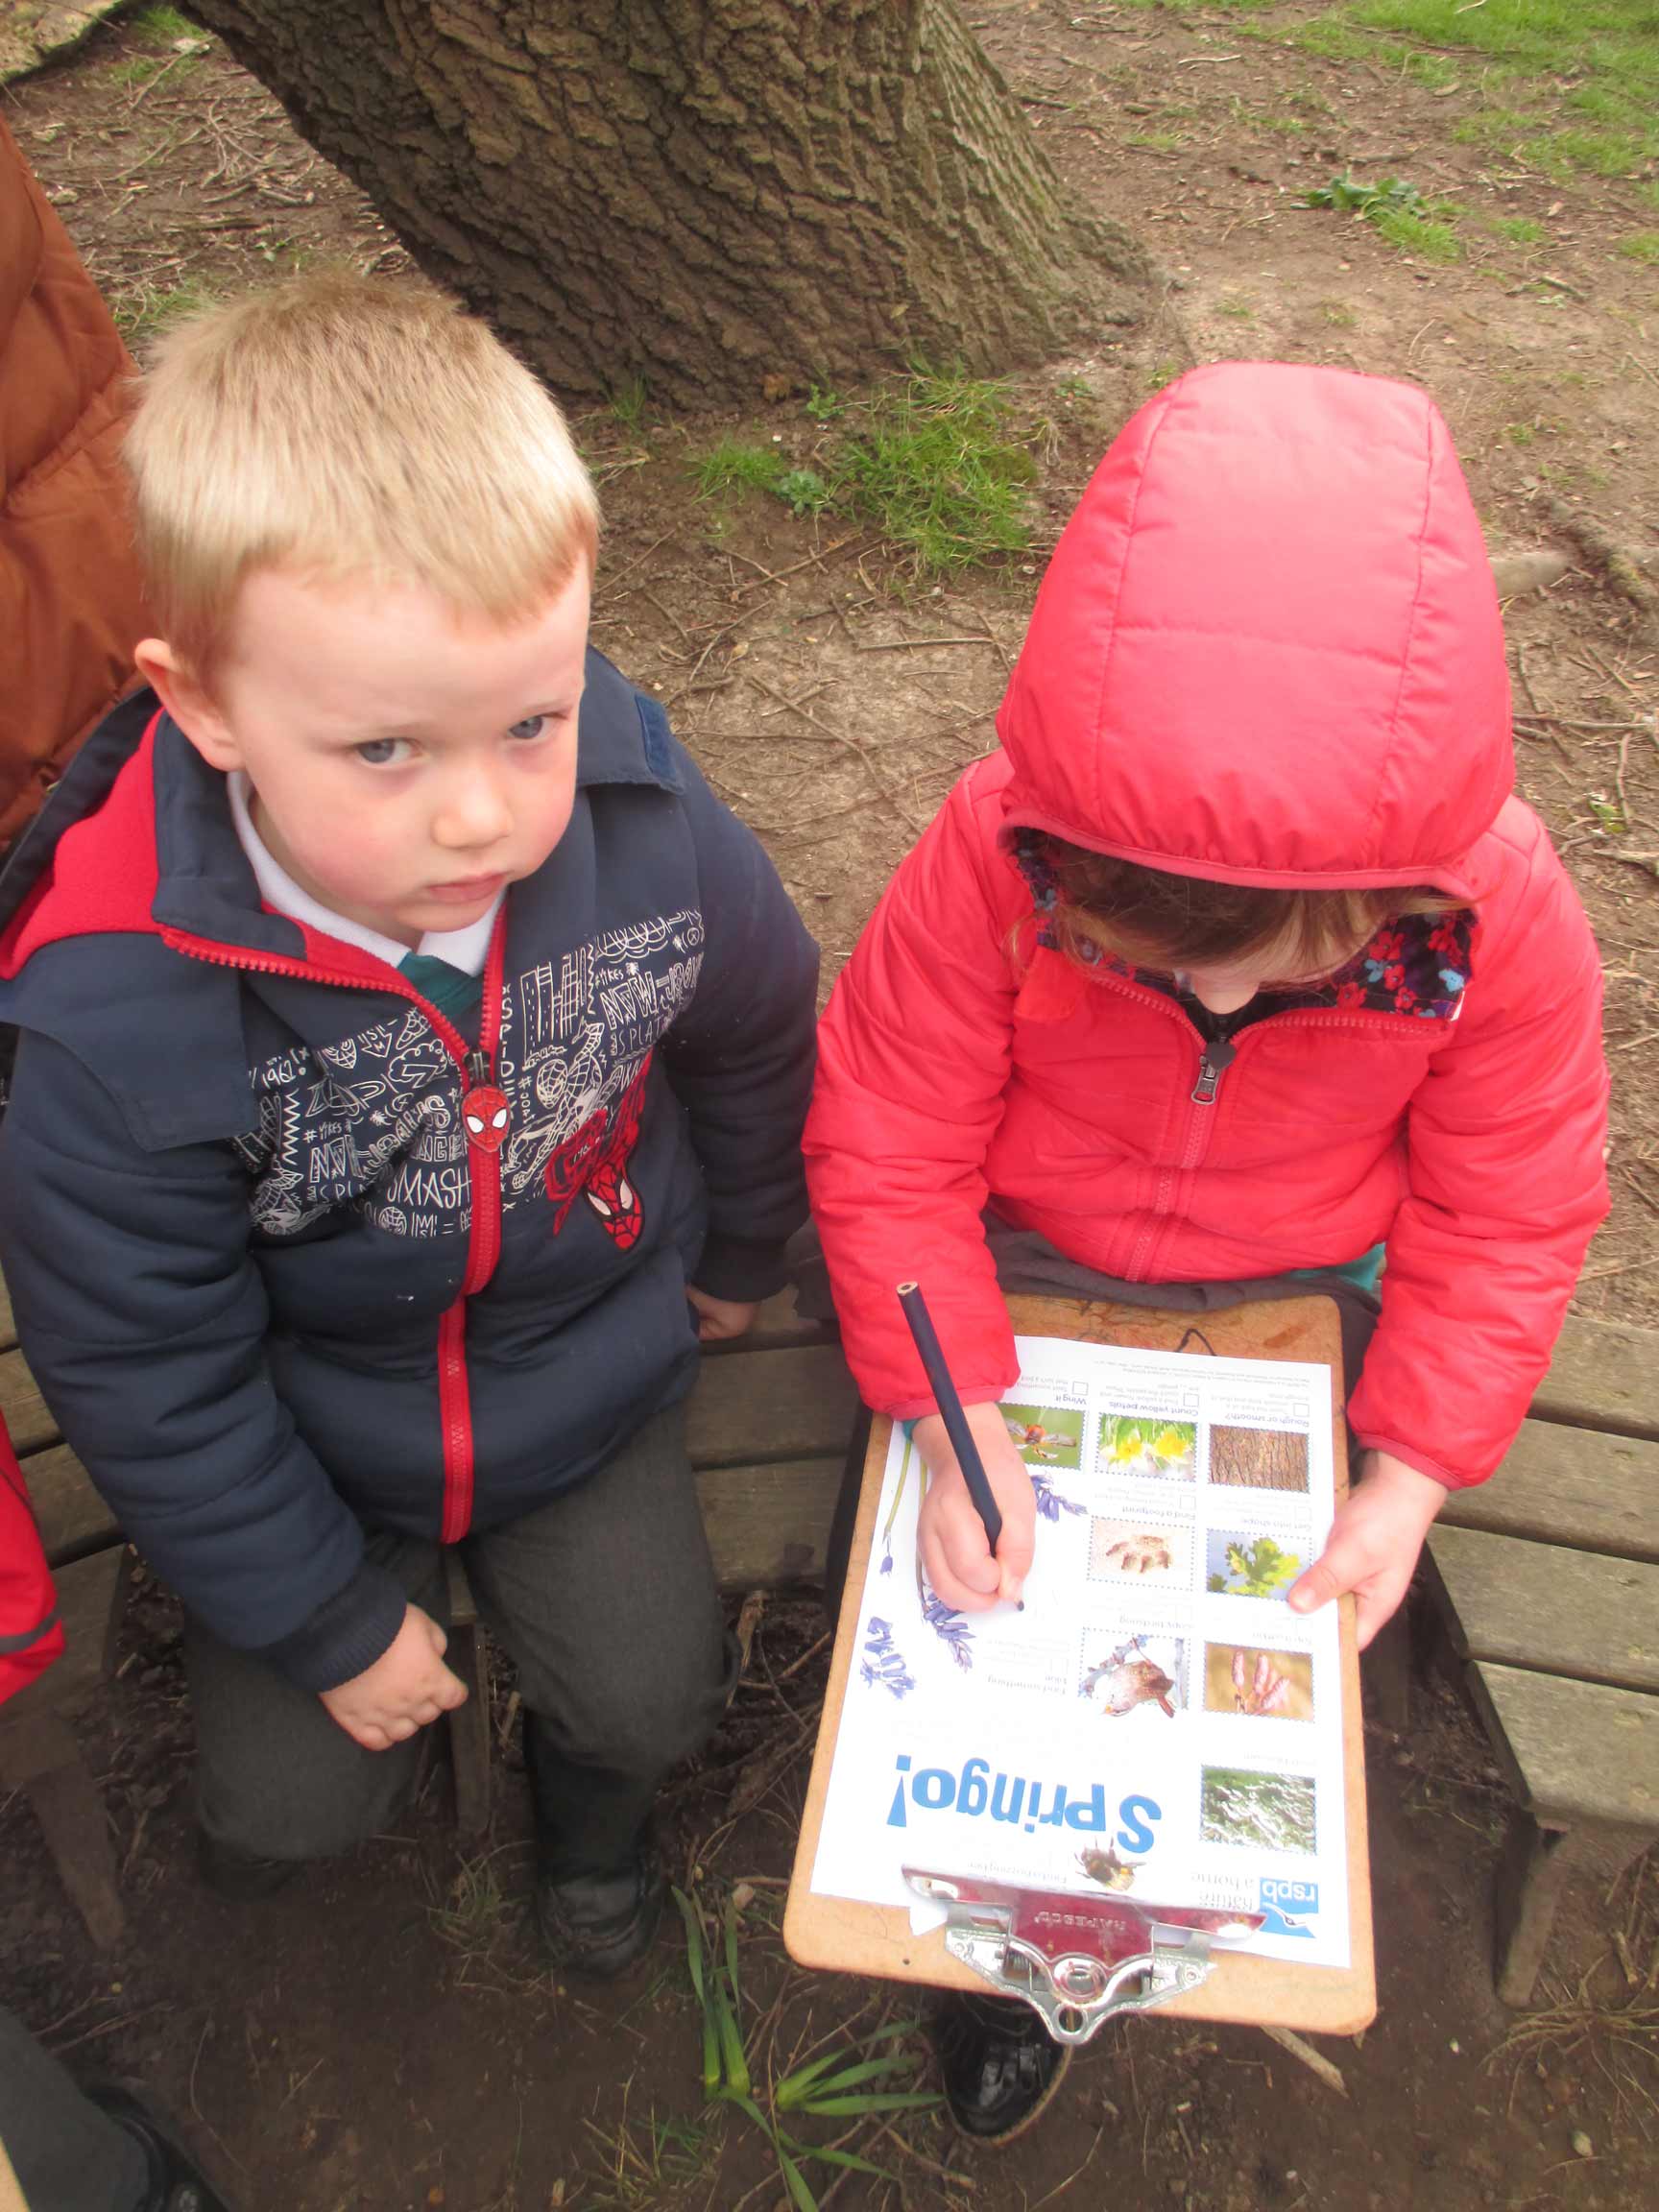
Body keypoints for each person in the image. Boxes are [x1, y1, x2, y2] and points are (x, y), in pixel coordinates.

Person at [802, 360, 1608, 2137]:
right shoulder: (1000, 848)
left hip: (1301, 1299)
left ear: (1396, 884)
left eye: (1274, 955)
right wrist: (954, 1411)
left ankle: (1199, 1891)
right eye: (1157, 944)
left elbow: (1512, 1205)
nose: (1220, 994)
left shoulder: (1494, 914)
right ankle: (1015, 1961)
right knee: (968, 1600)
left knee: (1301, 1626)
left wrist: (1409, 1477)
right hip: (1012, 1259)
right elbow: (890, 1134)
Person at [0, 274, 818, 1982]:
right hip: (305, 1433)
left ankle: (589, 1843)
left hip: (582, 1367)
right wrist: (318, 1614)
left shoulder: (641, 822)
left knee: (656, 1694)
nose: (484, 813)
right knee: (298, 1800)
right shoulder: (116, 1013)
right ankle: (273, 1866)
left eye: (533, 718)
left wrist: (742, 1248)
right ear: (204, 704)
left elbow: (757, 1030)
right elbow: (142, 1371)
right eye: (384, 747)